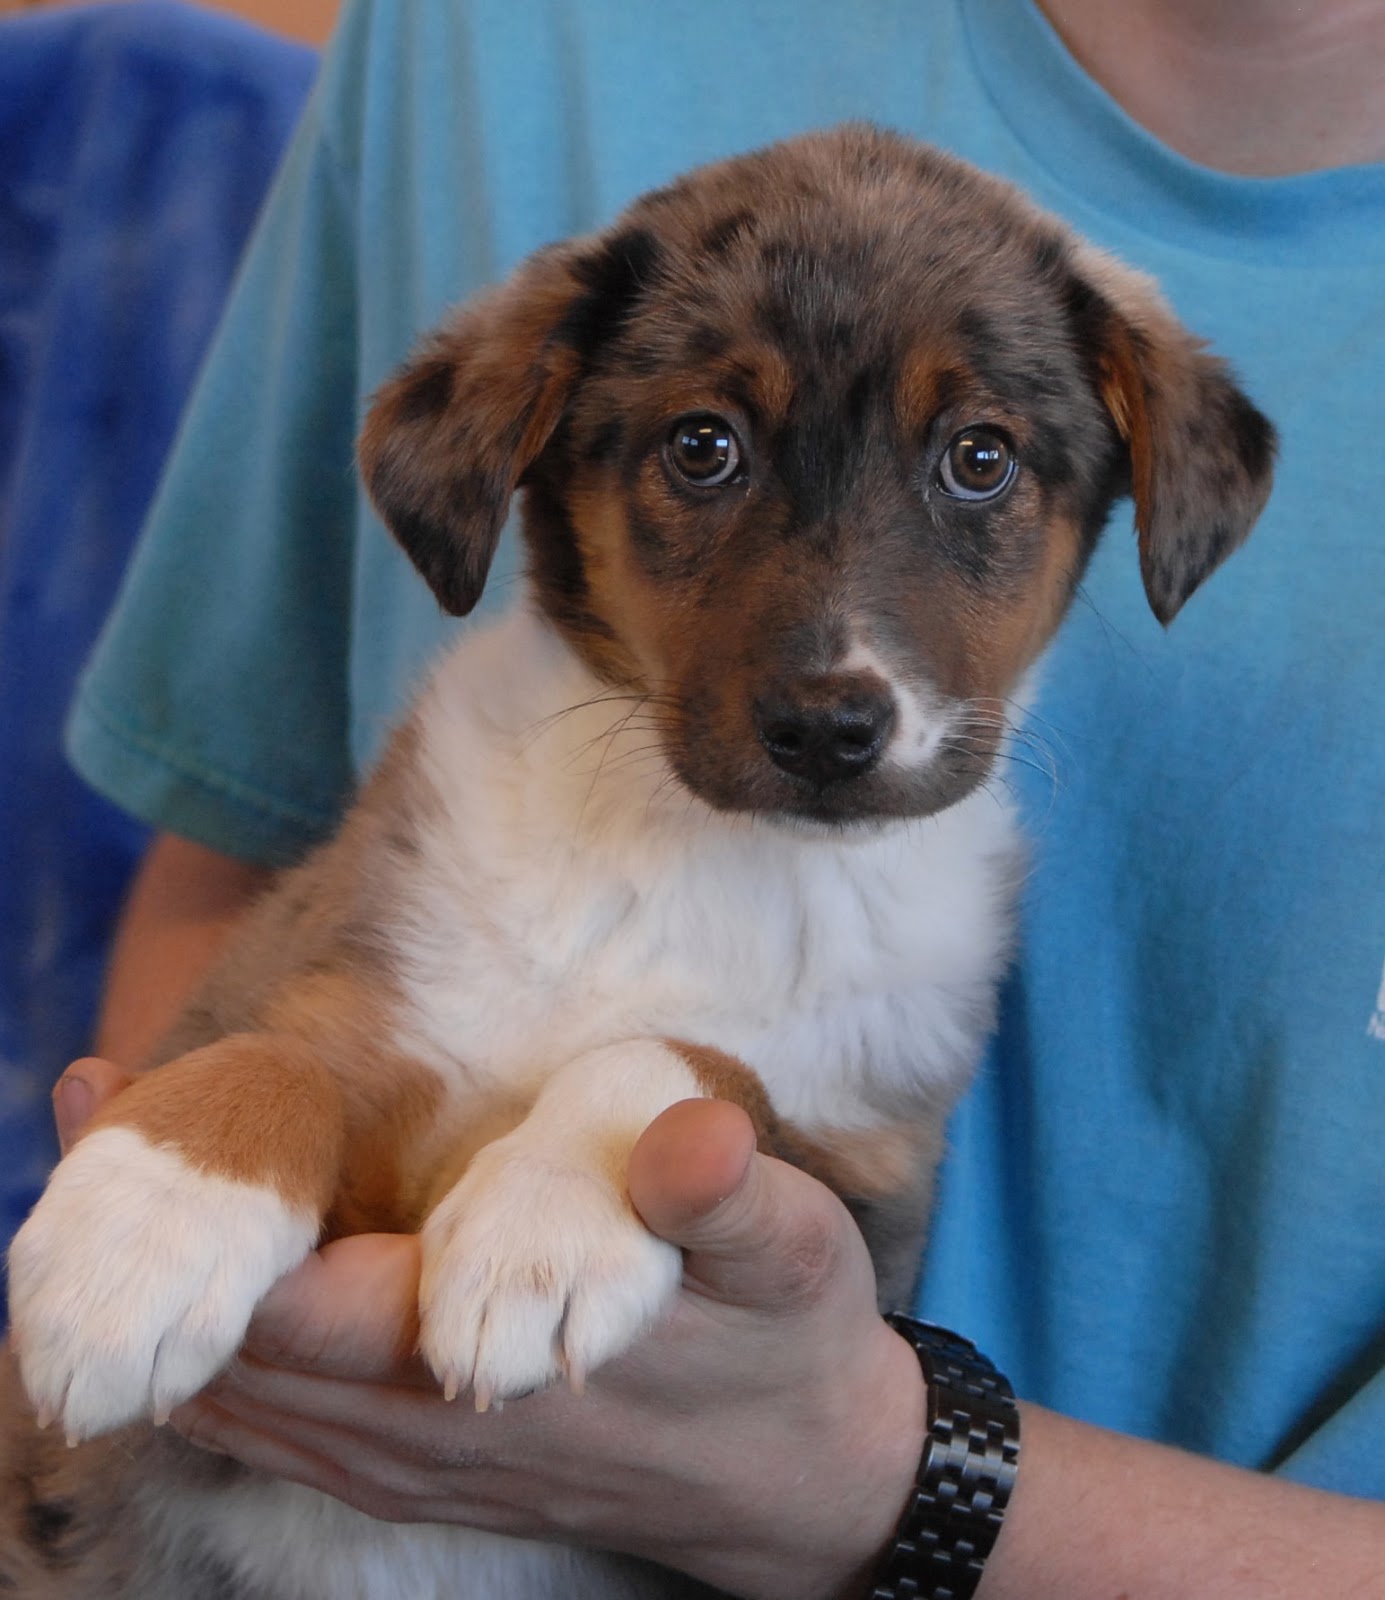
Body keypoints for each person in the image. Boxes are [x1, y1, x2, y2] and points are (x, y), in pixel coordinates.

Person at [54, 0, 1385, 1593]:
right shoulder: (482, 41)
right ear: (536, 468)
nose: (837, 658)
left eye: (974, 464)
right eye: (703, 451)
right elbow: (244, 906)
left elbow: (815, 1220)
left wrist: (873, 1472)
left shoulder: (903, 987)